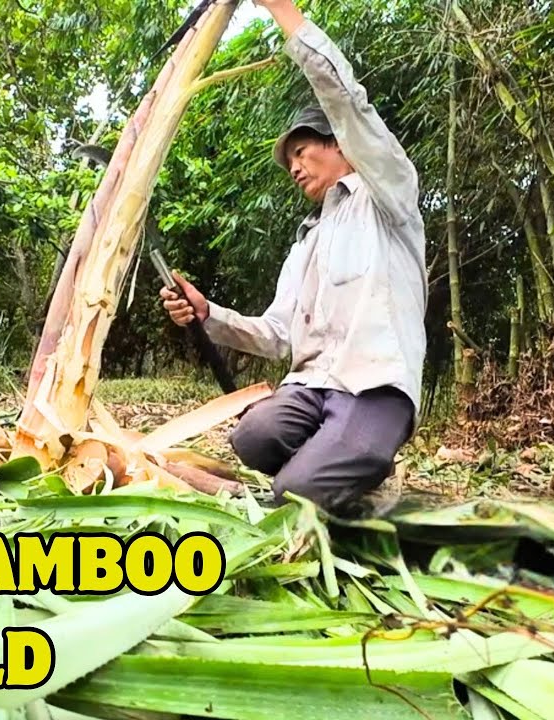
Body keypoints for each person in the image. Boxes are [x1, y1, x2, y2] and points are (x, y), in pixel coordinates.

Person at [161, 0, 427, 517]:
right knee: (252, 438)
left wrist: (282, 9)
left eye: (302, 152)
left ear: (340, 145)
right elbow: (276, 333)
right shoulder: (307, 241)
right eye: (289, 163)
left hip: (372, 389)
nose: (294, 167)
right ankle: (342, 470)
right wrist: (206, 312)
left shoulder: (388, 196)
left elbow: (346, 101)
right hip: (313, 389)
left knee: (292, 495)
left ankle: (358, 467)